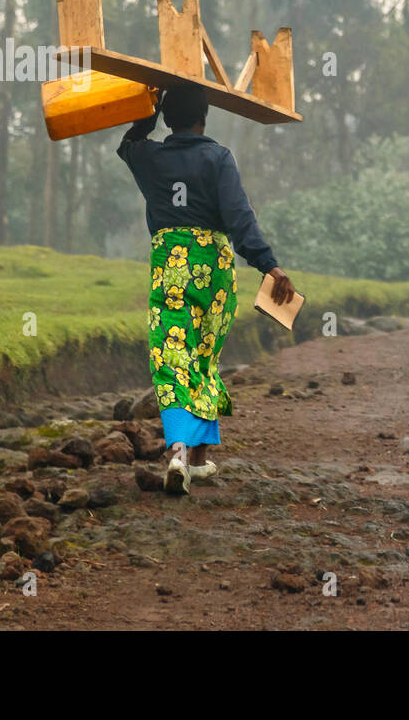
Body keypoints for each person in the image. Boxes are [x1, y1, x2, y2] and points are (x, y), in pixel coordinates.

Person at [117, 85, 295, 495]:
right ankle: (193, 459)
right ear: (204, 118)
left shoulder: (150, 157)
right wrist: (269, 264)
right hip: (213, 267)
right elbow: (239, 218)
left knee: (172, 353)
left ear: (166, 117)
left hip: (170, 266)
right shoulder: (218, 158)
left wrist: (148, 110)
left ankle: (183, 454)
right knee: (202, 356)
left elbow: (130, 143)